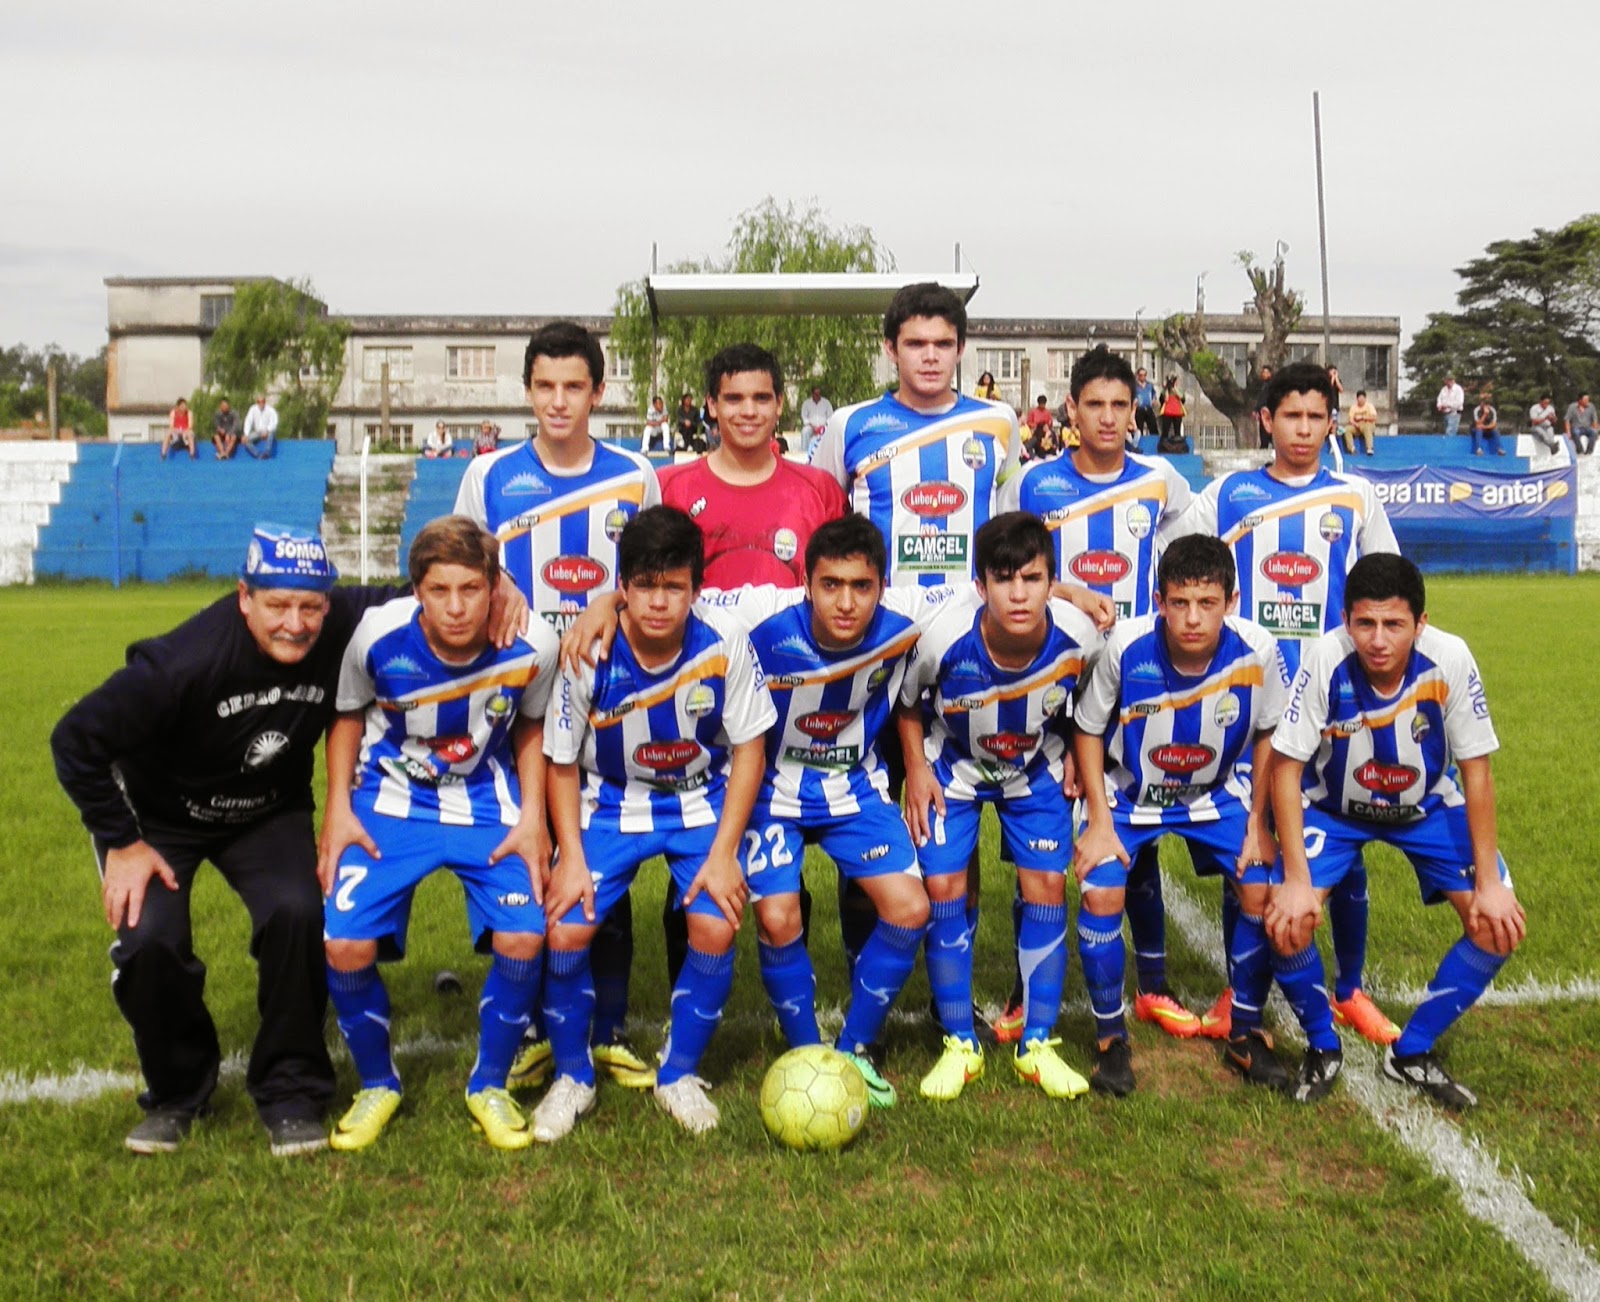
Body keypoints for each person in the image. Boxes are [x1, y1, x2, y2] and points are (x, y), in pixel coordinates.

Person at [51, 528, 389, 1156]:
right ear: (244, 597)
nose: (296, 623)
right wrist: (121, 842)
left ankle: (292, 1090)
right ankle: (177, 1093)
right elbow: (74, 740)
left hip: (266, 811)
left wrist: (502, 589)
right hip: (157, 820)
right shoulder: (181, 663)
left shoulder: (342, 618)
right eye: (277, 606)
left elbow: (425, 590)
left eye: (310, 606)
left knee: (296, 912)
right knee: (151, 940)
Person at [454, 319, 661, 1093]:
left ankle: (604, 1031)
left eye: (575, 386)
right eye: (545, 386)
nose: (559, 401)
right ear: (527, 391)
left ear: (599, 392)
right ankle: (543, 1027)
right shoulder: (490, 477)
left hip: (611, 698)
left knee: (596, 856)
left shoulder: (636, 475)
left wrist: (611, 597)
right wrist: (494, 577)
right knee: (529, 852)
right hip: (514, 706)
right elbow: (460, 561)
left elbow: (655, 566)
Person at [1169, 361, 1401, 1044]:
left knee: (1344, 842)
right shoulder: (1229, 494)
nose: (1302, 429)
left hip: (1334, 699)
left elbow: (1385, 590)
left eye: (1315, 417)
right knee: (1249, 843)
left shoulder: (1355, 497)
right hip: (1251, 701)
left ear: (1333, 421)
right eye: (1289, 417)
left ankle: (1349, 989)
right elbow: (1182, 562)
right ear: (1265, 421)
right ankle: (1236, 991)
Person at [316, 516, 560, 1151]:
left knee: (525, 934)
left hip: (485, 797)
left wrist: (534, 817)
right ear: (416, 590)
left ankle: (489, 1083)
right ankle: (377, 1082)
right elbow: (345, 716)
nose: (456, 607)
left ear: (494, 586)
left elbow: (531, 727)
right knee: (343, 945)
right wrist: (337, 809)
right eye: (439, 590)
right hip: (391, 797)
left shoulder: (533, 641)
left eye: (471, 590)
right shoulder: (376, 635)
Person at [534, 506, 776, 1139]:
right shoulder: (589, 651)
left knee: (716, 921)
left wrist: (725, 854)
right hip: (609, 800)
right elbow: (560, 760)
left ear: (696, 588)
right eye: (645, 585)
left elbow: (749, 747)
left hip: (698, 798)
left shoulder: (724, 640)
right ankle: (572, 1077)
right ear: (623, 587)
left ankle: (679, 1074)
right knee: (563, 927)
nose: (660, 602)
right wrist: (573, 858)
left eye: (674, 586)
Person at [1267, 553, 1526, 1110]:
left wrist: (1489, 881)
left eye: (1394, 624)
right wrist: (1293, 877)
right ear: (1345, 619)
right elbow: (1286, 769)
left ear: (1421, 622)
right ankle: (1321, 1045)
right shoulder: (1326, 655)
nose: (1378, 640)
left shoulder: (1450, 658)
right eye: (1365, 623)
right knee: (1287, 920)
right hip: (1333, 807)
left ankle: (1411, 1052)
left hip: (1425, 806)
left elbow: (1477, 771)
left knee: (1496, 924)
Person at [999, 345, 1194, 1043]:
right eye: (1095, 405)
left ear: (1134, 411)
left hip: (1136, 688)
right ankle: (1026, 992)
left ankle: (1155, 985)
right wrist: (1067, 592)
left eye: (1120, 405)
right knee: (1042, 838)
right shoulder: (1031, 485)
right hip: (1048, 683)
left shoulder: (1163, 482)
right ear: (1070, 411)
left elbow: (1191, 567)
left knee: (1133, 829)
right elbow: (999, 571)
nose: (1108, 418)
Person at [1072, 535, 1294, 1097]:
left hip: (1214, 793)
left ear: (1232, 600)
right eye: (1179, 603)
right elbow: (1089, 728)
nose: (1192, 618)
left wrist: (1258, 824)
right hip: (1129, 795)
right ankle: (1109, 1040)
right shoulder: (1125, 646)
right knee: (1101, 893)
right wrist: (1098, 820)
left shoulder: (1259, 649)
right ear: (1158, 599)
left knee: (1260, 888)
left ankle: (1244, 1030)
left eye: (1207, 603)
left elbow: (1270, 734)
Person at [898, 512, 1102, 1101]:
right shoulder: (942, 638)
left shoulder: (1082, 636)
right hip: (952, 768)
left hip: (1032, 767)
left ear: (1051, 581)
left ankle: (1036, 1044)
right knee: (943, 890)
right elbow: (909, 705)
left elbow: (1090, 700)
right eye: (1004, 579)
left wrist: (1072, 753)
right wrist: (915, 769)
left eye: (1034, 579)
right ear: (980, 584)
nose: (1019, 593)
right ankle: (960, 1043)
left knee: (1045, 884)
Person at [658, 343, 846, 589]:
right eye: (734, 399)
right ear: (712, 405)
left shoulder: (821, 491)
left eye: (761, 398)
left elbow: (847, 583)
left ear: (779, 404)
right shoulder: (667, 489)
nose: (749, 411)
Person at [799, 386, 834, 452]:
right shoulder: (806, 403)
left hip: (824, 426)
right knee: (804, 432)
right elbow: (804, 416)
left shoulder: (826, 403)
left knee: (831, 432)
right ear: (812, 394)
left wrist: (824, 426)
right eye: (816, 394)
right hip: (810, 426)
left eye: (819, 393)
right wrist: (813, 427)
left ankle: (828, 453)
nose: (818, 395)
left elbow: (830, 416)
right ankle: (804, 452)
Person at [1157, 377, 1187, 453]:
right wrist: (1167, 388)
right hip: (1167, 412)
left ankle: (1178, 447)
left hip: (1177, 412)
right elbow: (1165, 399)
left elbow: (1181, 397)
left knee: (1177, 431)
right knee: (1165, 430)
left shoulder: (1179, 390)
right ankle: (1163, 447)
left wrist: (1174, 389)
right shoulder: (1165, 391)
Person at [1347, 390, 1379, 456]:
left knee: (1367, 428)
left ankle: (1369, 448)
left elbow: (1374, 418)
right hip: (1357, 426)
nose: (1361, 400)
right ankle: (1352, 448)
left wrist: (1362, 417)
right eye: (1359, 398)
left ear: (1365, 398)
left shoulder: (1369, 406)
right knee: (1347, 429)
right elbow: (1351, 419)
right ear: (1357, 399)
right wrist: (1355, 424)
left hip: (1368, 424)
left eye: (1362, 398)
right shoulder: (1353, 407)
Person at [1435, 374, 1466, 438]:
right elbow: (1439, 398)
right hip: (1445, 413)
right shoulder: (1444, 389)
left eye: (1450, 380)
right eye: (1447, 380)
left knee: (1450, 432)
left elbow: (1459, 402)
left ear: (1453, 381)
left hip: (1454, 412)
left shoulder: (1458, 389)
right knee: (1446, 431)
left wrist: (1447, 405)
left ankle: (1449, 445)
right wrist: (1439, 406)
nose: (1448, 382)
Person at [1133, 367, 1159, 441]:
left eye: (1144, 375)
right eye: (1141, 375)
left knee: (1153, 427)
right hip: (1139, 409)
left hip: (1148, 408)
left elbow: (1154, 394)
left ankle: (1155, 443)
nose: (1143, 377)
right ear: (1138, 375)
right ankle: (1139, 445)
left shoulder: (1149, 385)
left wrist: (1153, 400)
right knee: (1139, 428)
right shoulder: (1134, 386)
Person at [1255, 365, 1275, 450]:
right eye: (1263, 372)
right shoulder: (1263, 385)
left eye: (1266, 372)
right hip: (1263, 412)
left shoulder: (1270, 386)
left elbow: (1265, 399)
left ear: (1270, 374)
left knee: (1267, 433)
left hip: (1267, 412)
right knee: (1263, 434)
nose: (1263, 374)